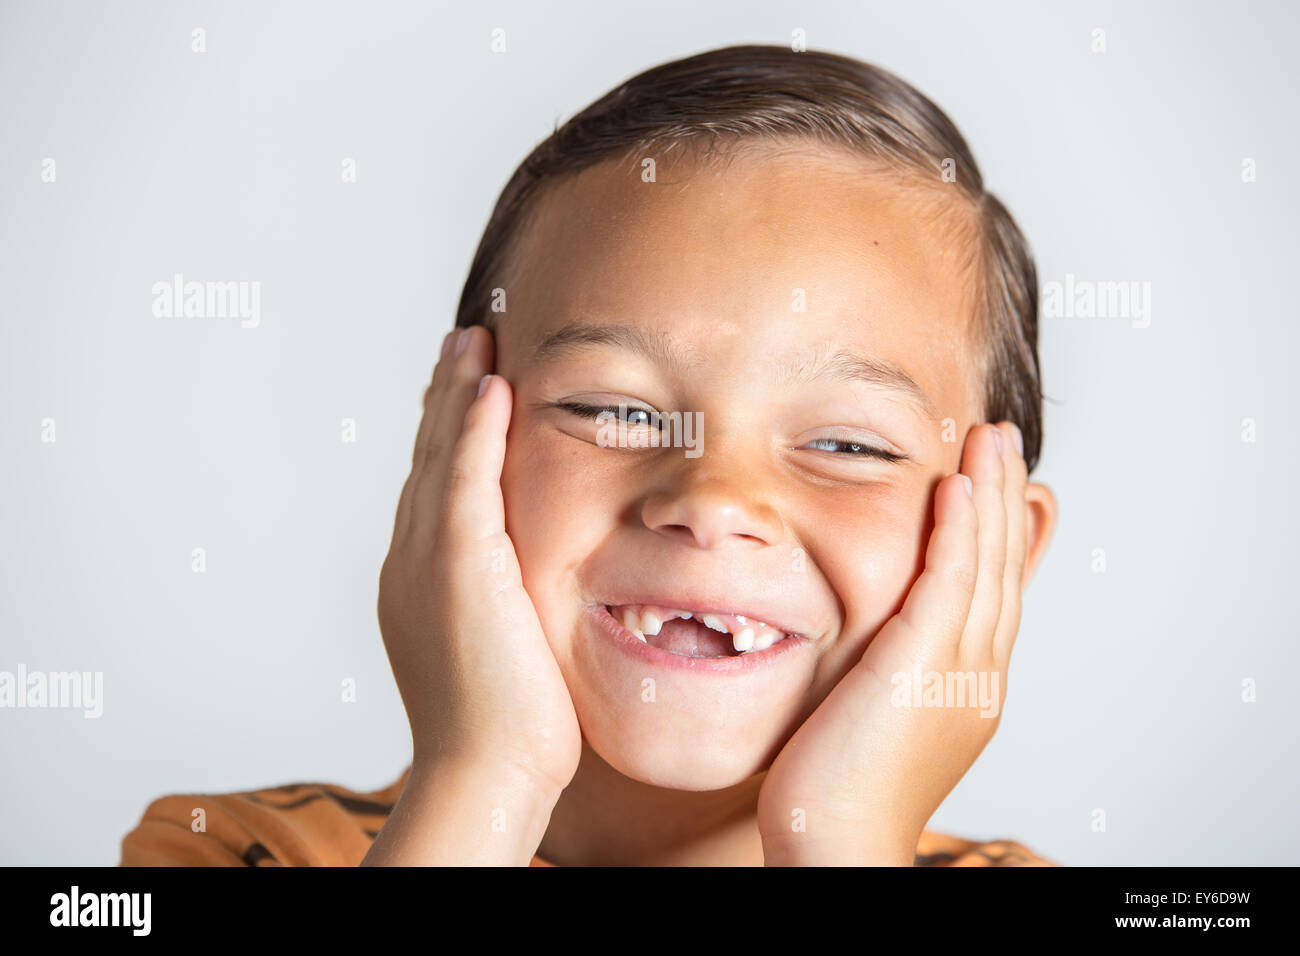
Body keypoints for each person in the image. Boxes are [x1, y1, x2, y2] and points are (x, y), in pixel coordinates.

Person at [122, 44, 1059, 867]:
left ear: (1000, 549)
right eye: (613, 410)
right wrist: (485, 779)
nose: (714, 498)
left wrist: (842, 834)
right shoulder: (237, 851)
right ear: (454, 454)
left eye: (848, 442)